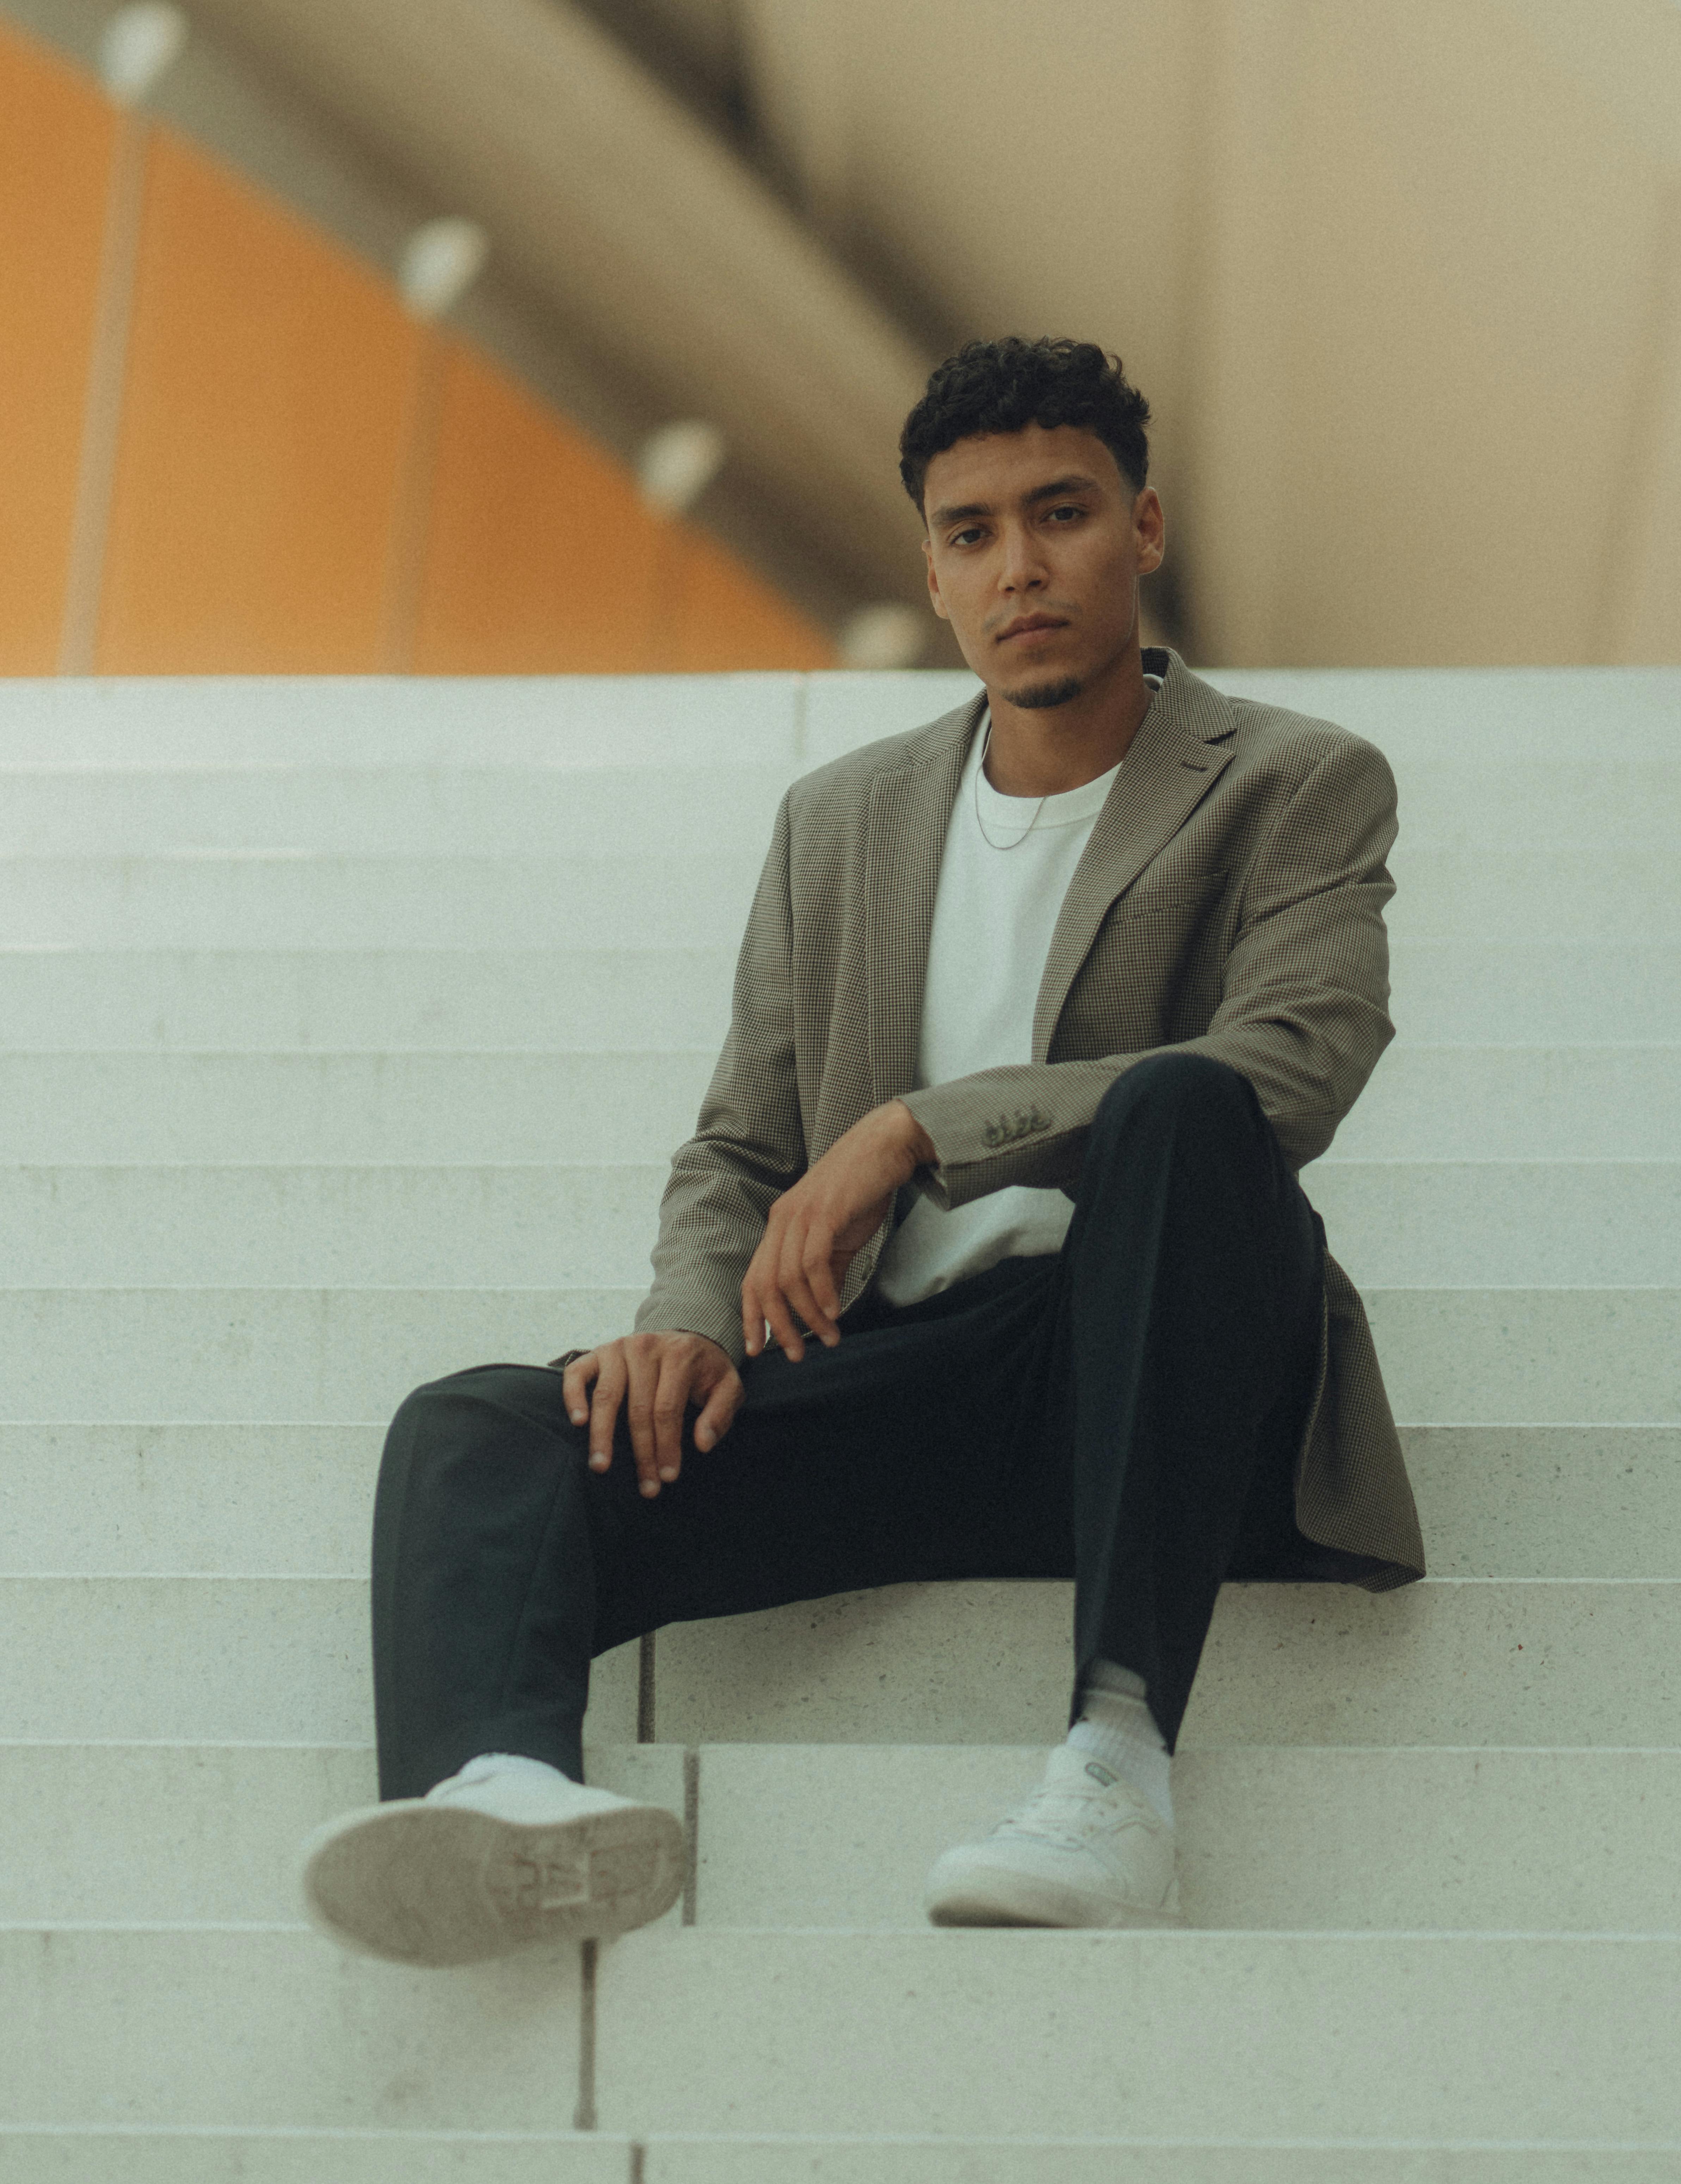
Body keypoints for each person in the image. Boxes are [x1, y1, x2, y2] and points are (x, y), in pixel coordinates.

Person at [299, 336, 1424, 1966]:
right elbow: (743, 1140)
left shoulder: (1293, 782)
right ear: (933, 572)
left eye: (1062, 513)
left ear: (1144, 526)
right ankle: (501, 1794)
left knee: (1185, 1108)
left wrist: (916, 1129)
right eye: (973, 532)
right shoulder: (842, 820)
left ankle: (1115, 1770)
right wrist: (688, 1322)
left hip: (1158, 1369)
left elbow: (1292, 1064)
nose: (1020, 566)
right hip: (902, 1377)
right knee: (481, 1424)